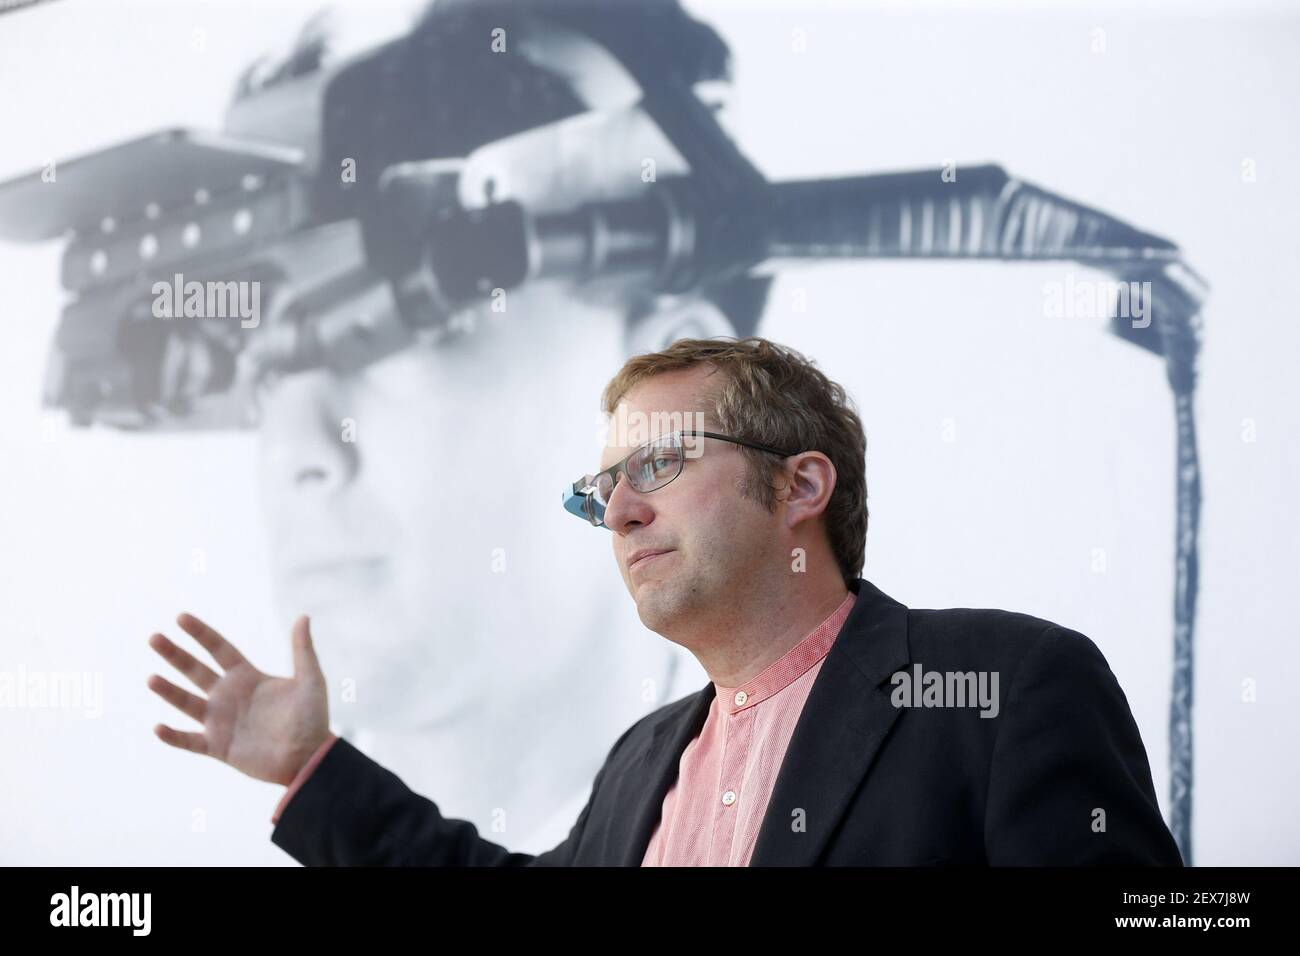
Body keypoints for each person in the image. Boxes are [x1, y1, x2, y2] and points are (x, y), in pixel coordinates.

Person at [147, 336, 1183, 866]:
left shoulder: (1005, 686)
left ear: (799, 485)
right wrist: (312, 769)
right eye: (602, 489)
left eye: (659, 465)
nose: (619, 512)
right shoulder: (643, 758)